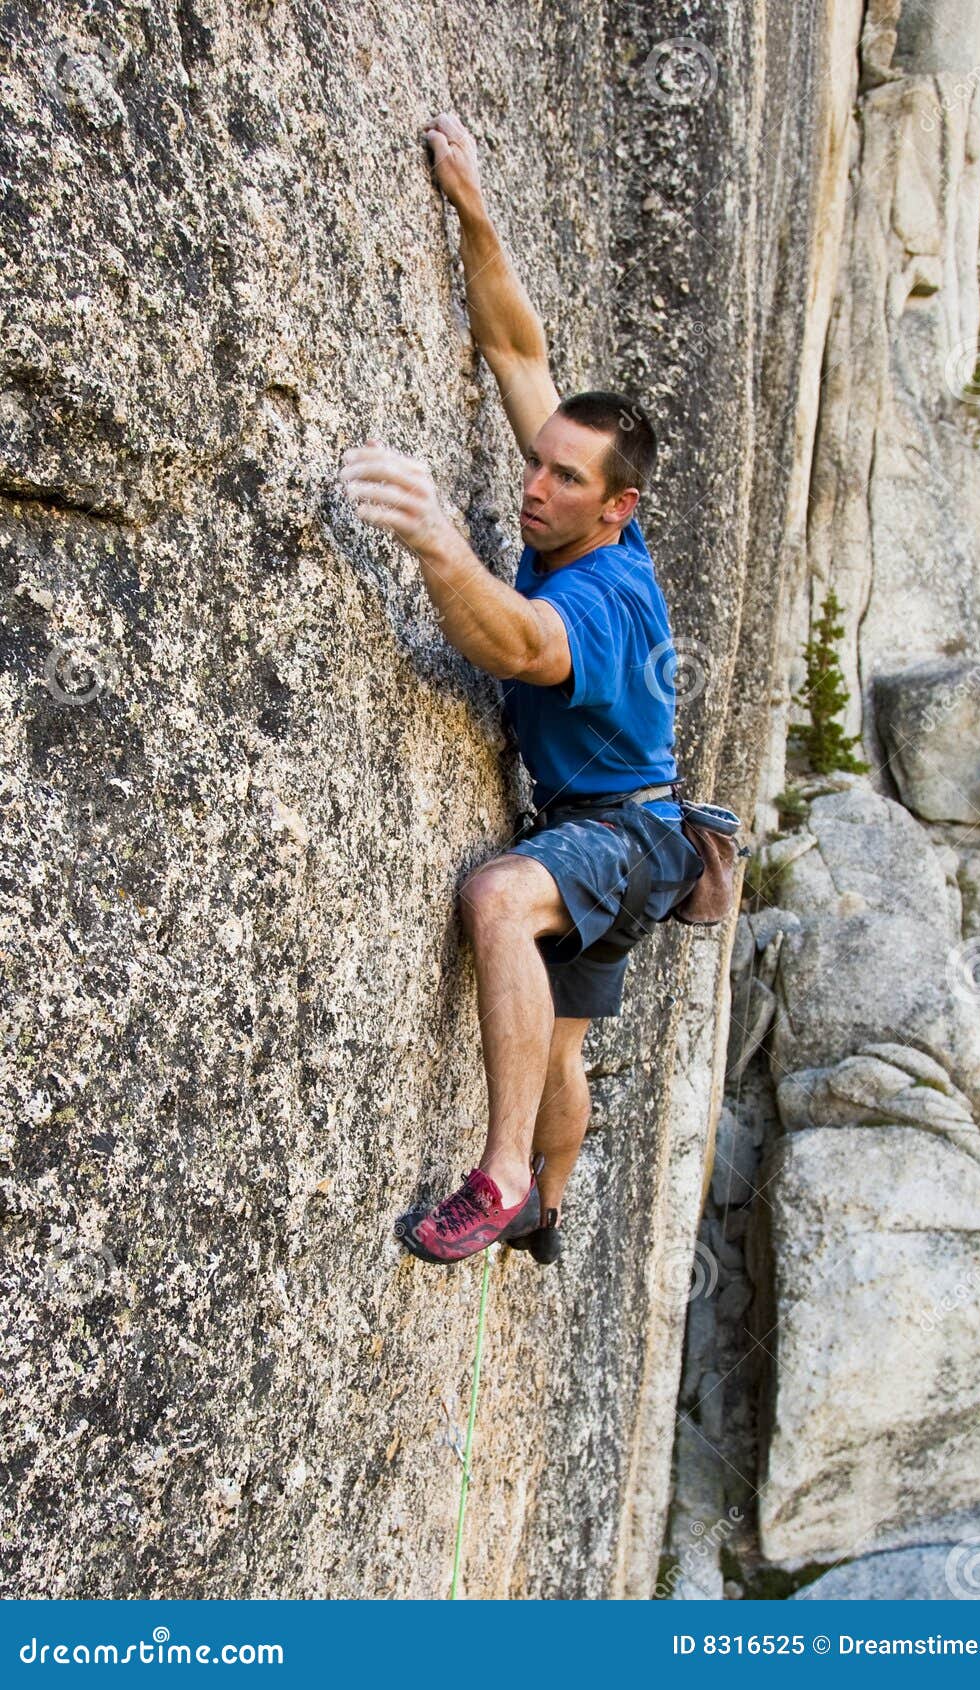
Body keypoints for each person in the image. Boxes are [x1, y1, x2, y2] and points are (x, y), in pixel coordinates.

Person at [338, 113, 704, 1268]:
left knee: (499, 897)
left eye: (561, 477)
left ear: (617, 506)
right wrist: (472, 205)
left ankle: (498, 1180)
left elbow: (521, 645)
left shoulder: (603, 595)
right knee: (557, 1050)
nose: (533, 486)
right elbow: (512, 346)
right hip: (637, 829)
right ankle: (548, 1198)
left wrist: (441, 547)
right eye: (534, 462)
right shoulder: (584, 514)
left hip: (621, 837)